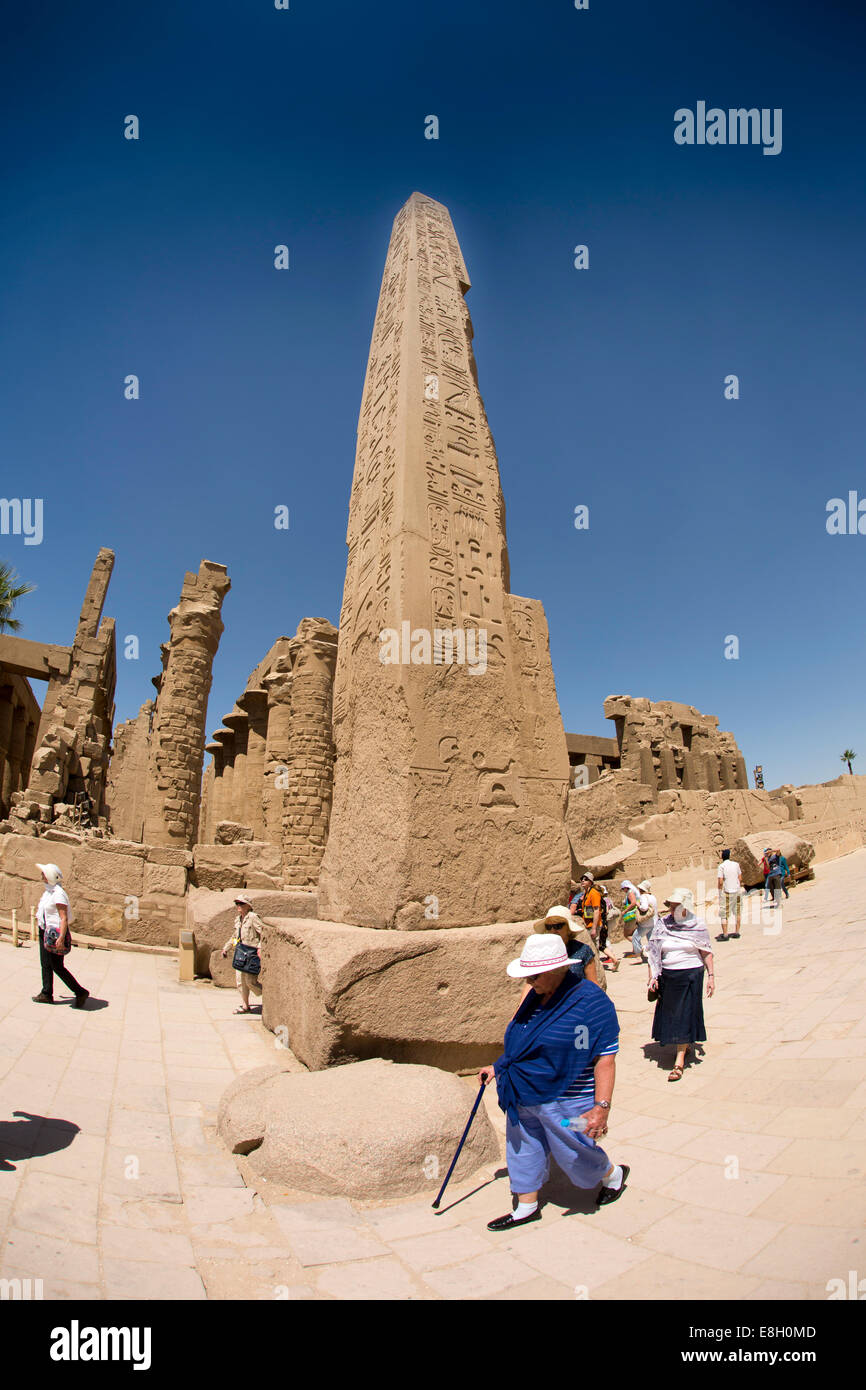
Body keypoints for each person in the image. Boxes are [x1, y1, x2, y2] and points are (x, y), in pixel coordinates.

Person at [479, 932, 628, 1230]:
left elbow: (605, 1059)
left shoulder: (590, 1003)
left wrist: (602, 1107)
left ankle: (612, 1175)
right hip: (524, 1094)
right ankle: (526, 1206)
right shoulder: (535, 996)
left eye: (534, 975)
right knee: (523, 1147)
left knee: (575, 1151)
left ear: (555, 970)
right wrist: (498, 1066)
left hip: (568, 1098)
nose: (529, 981)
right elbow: (524, 1043)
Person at [647, 888, 714, 1082]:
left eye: (676, 906)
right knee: (673, 1014)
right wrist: (652, 978)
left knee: (684, 1014)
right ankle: (685, 1043)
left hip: (691, 974)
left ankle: (679, 1061)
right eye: (670, 906)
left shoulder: (697, 924)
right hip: (668, 976)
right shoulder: (662, 924)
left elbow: (706, 951)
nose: (671, 909)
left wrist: (711, 976)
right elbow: (653, 952)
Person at [32, 863, 89, 1008]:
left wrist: (61, 938)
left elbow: (63, 917)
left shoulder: (58, 893)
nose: (41, 875)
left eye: (44, 874)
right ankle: (46, 993)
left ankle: (80, 992)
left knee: (57, 966)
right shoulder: (49, 891)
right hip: (45, 931)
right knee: (45, 964)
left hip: (55, 934)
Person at [537, 905, 601, 987]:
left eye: (558, 926)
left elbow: (593, 983)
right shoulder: (541, 951)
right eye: (549, 927)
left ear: (568, 929)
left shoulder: (583, 950)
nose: (553, 931)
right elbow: (531, 983)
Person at [221, 895, 264, 1013]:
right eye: (237, 904)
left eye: (241, 904)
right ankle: (245, 1006)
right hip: (240, 953)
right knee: (240, 982)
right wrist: (226, 948)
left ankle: (269, 996)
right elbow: (235, 936)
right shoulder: (238, 919)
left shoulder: (253, 918)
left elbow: (263, 934)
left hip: (252, 954)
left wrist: (260, 948)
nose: (238, 906)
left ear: (248, 906)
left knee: (251, 982)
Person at [576, 872, 618, 971]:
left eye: (585, 879)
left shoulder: (593, 893)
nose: (582, 881)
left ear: (590, 882)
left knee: (594, 948)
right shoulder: (587, 893)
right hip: (588, 924)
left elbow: (596, 910)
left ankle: (597, 971)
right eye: (582, 879)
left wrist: (594, 928)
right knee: (595, 946)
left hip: (593, 925)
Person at [716, 849, 743, 941]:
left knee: (724, 915)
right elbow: (740, 878)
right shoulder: (736, 864)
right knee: (737, 913)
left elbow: (720, 881)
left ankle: (725, 934)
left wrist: (719, 892)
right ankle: (737, 932)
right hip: (737, 891)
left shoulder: (721, 866)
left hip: (727, 892)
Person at [630, 879, 657, 962]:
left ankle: (638, 956)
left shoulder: (643, 897)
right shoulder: (653, 897)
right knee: (651, 939)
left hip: (645, 923)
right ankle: (655, 956)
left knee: (635, 937)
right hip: (653, 922)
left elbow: (644, 908)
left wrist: (638, 905)